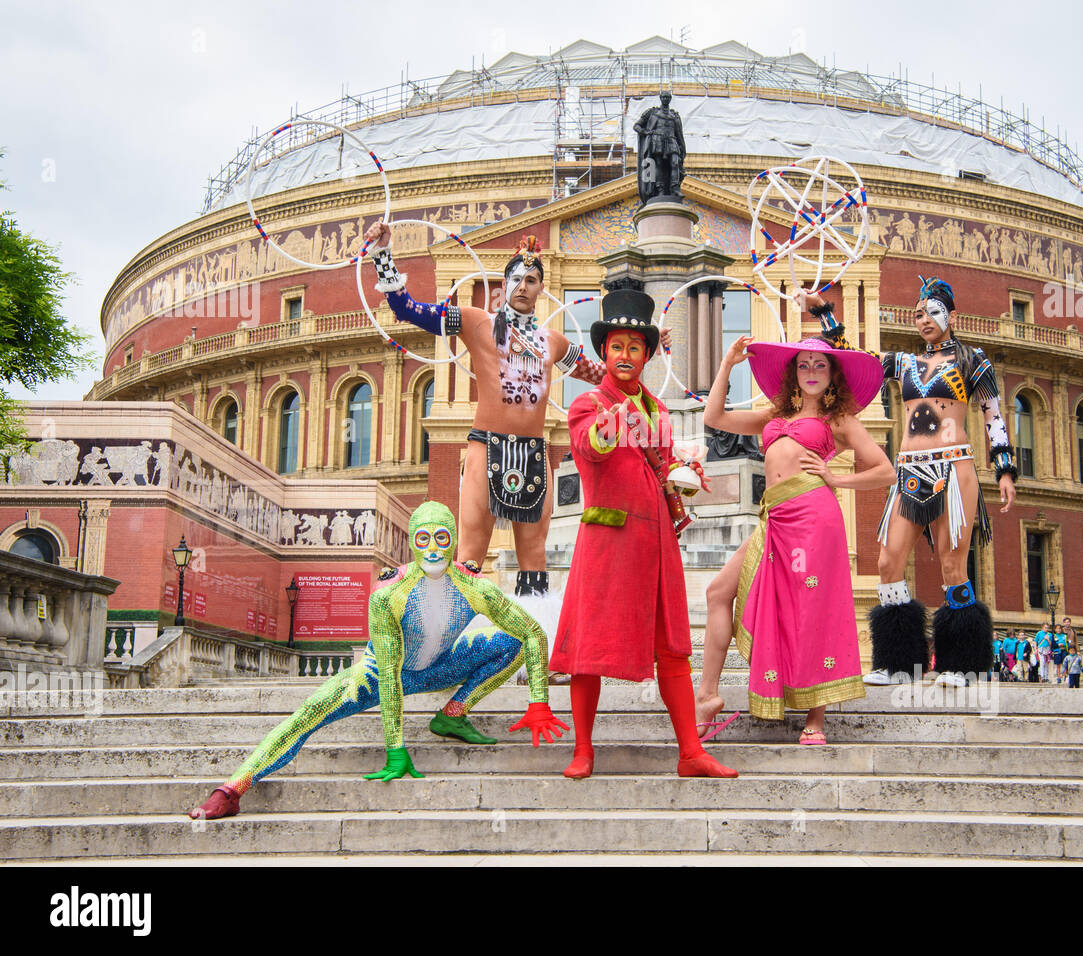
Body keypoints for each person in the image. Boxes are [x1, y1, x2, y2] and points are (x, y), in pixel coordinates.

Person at [363, 228, 644, 683]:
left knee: (534, 562)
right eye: (516, 278)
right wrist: (382, 256)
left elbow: (605, 375)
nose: (523, 286)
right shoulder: (476, 322)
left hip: (534, 455)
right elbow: (411, 311)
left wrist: (644, 346)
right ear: (502, 285)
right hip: (486, 449)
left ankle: (538, 658)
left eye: (533, 280)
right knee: (470, 558)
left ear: (541, 288)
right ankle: (445, 655)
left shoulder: (553, 342)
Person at [188, 501, 567, 820]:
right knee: (309, 712)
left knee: (511, 643)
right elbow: (387, 674)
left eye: (441, 539)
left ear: (452, 542)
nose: (433, 549)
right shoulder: (389, 594)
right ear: (413, 544)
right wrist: (395, 748)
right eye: (424, 539)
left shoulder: (476, 587)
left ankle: (452, 715)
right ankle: (232, 788)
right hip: (379, 674)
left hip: (440, 666)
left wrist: (538, 701)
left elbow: (533, 633)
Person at [549, 289, 733, 779]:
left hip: (657, 544)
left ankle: (691, 752)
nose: (625, 356)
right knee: (588, 649)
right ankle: (583, 750)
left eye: (635, 347)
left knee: (672, 647)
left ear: (647, 355)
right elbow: (592, 450)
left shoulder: (659, 411)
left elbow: (661, 466)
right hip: (608, 541)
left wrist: (685, 473)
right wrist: (609, 428)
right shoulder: (588, 404)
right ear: (603, 352)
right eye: (617, 346)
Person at [691, 295, 892, 743]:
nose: (812, 371)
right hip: (774, 519)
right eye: (805, 364)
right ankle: (706, 695)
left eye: (821, 365)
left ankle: (815, 719)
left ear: (832, 373)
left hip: (814, 518)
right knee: (718, 590)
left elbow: (884, 469)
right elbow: (714, 416)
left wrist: (836, 481)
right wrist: (727, 363)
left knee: (812, 609)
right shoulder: (775, 414)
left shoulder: (839, 419)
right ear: (794, 372)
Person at [867, 277, 1018, 688]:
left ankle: (962, 666)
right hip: (909, 469)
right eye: (918, 313)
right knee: (887, 562)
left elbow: (994, 416)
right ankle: (898, 663)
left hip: (955, 468)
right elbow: (854, 360)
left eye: (932, 311)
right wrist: (823, 313)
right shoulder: (904, 364)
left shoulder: (974, 361)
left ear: (952, 316)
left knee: (952, 565)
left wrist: (1004, 469)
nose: (924, 319)